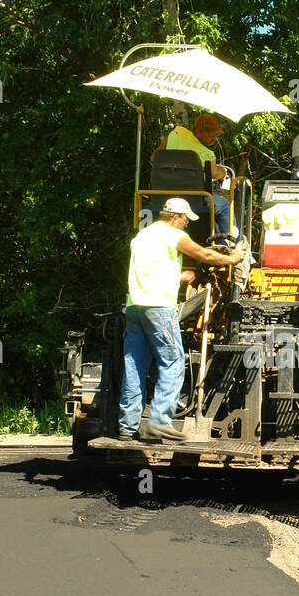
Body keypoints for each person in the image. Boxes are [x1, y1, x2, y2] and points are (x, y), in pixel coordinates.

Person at [121, 197, 244, 442]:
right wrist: (233, 258)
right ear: (175, 216)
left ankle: (127, 427)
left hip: (135, 307)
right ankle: (159, 421)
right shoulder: (174, 235)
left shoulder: (142, 237)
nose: (187, 223)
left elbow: (148, 270)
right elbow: (204, 254)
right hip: (159, 307)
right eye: (186, 218)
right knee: (173, 362)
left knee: (135, 365)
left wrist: (179, 275)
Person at [158, 113, 231, 235]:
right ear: (197, 131)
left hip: (163, 194)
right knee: (224, 205)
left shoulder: (176, 133)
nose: (213, 139)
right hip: (195, 199)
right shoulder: (206, 154)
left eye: (215, 136)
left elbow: (155, 157)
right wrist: (224, 172)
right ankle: (231, 244)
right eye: (210, 135)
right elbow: (215, 174)